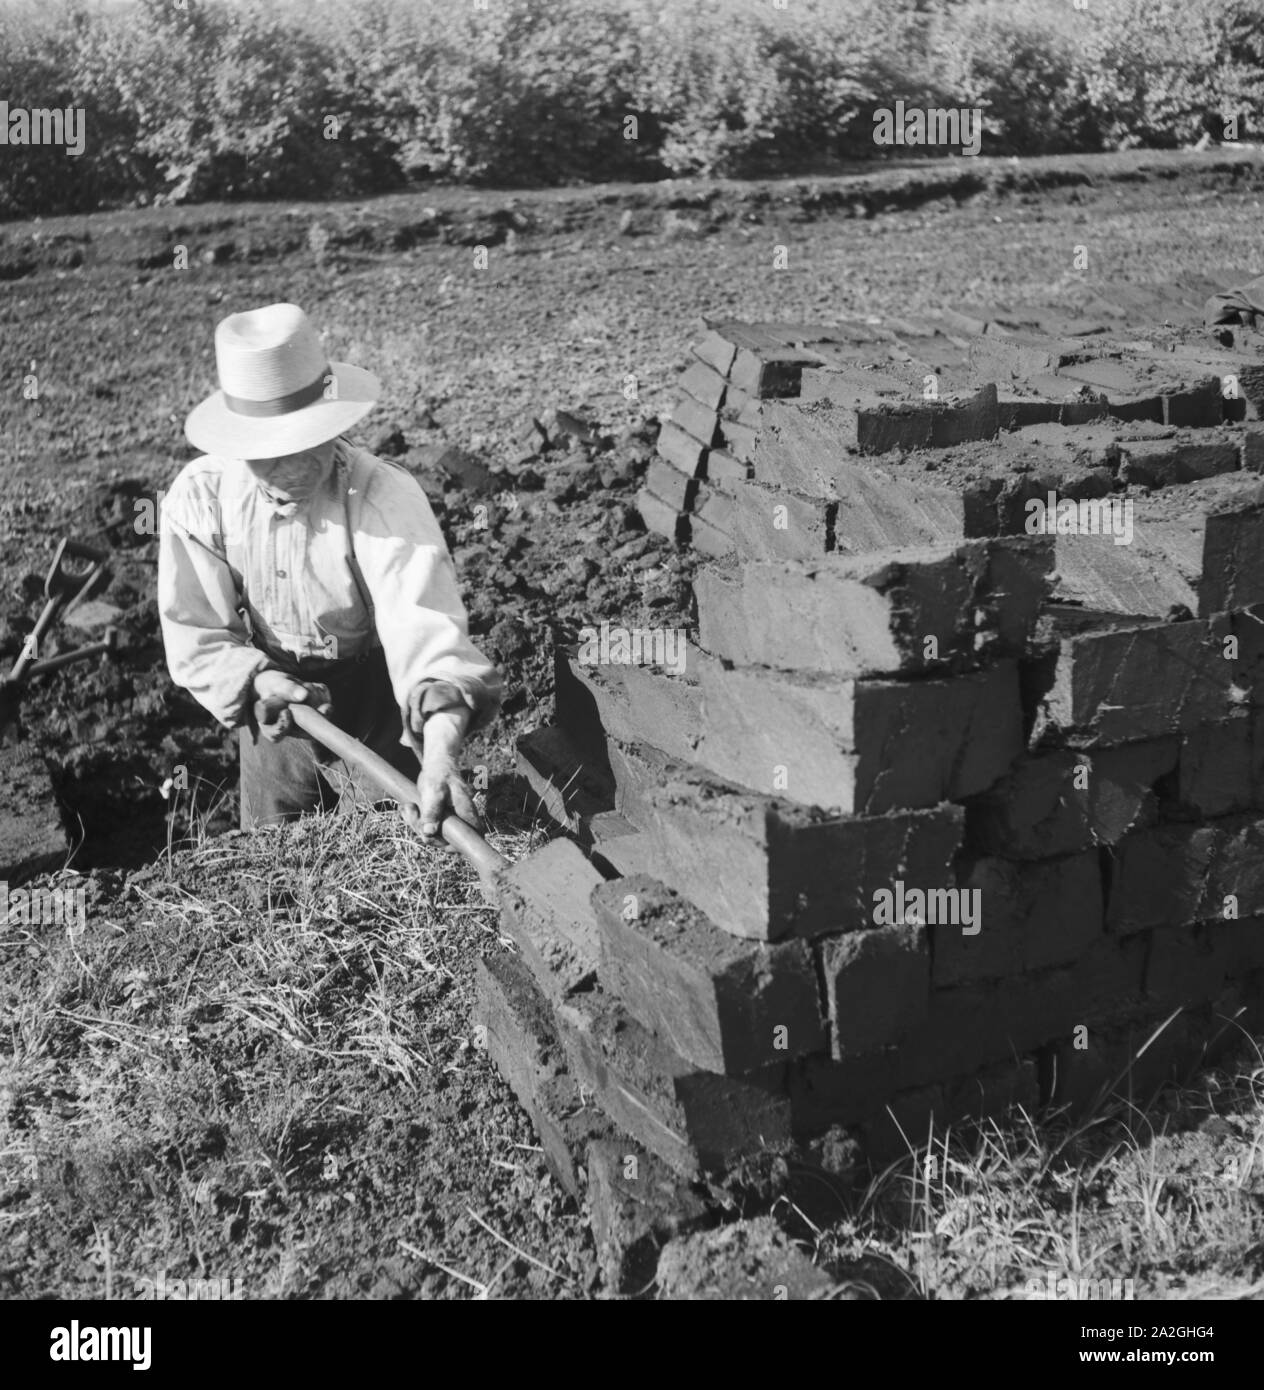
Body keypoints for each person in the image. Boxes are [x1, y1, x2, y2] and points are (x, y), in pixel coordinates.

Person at [157, 301, 501, 838]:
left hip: (375, 694)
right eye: (265, 454)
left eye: (303, 446)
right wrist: (260, 678)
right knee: (270, 867)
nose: (290, 470)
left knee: (406, 849)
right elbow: (197, 633)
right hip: (275, 703)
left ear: (329, 426)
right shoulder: (202, 499)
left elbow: (429, 641)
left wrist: (439, 756)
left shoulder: (380, 496)